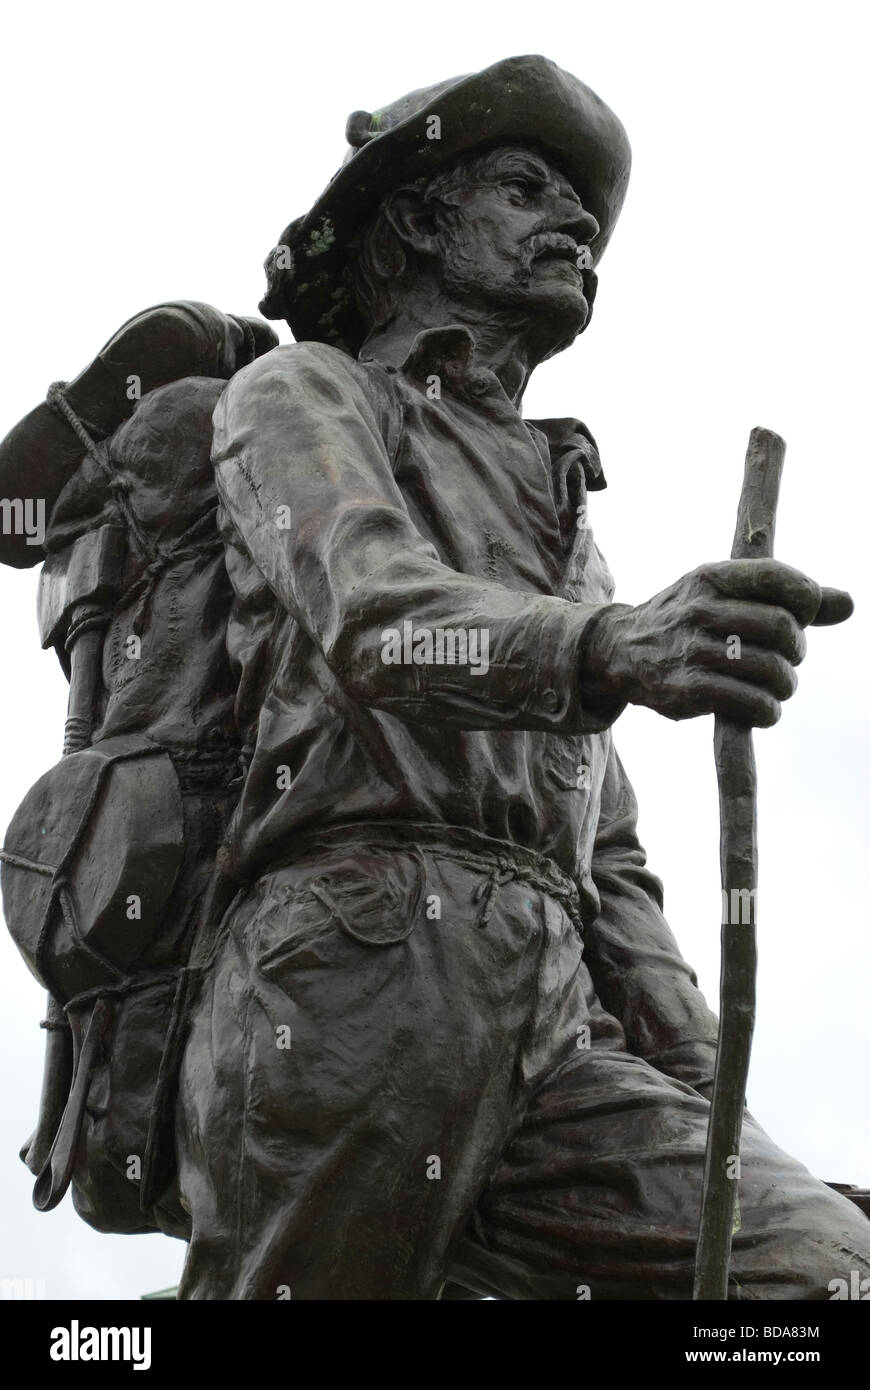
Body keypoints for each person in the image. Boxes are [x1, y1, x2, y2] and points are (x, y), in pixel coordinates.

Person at [176, 55, 870, 1299]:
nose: (577, 226)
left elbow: (607, 867)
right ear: (420, 220)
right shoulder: (302, 395)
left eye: (587, 212)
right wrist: (610, 647)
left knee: (824, 1274)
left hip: (556, 1014)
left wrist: (733, 1134)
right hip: (348, 971)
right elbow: (377, 619)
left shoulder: (569, 522)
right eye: (526, 186)